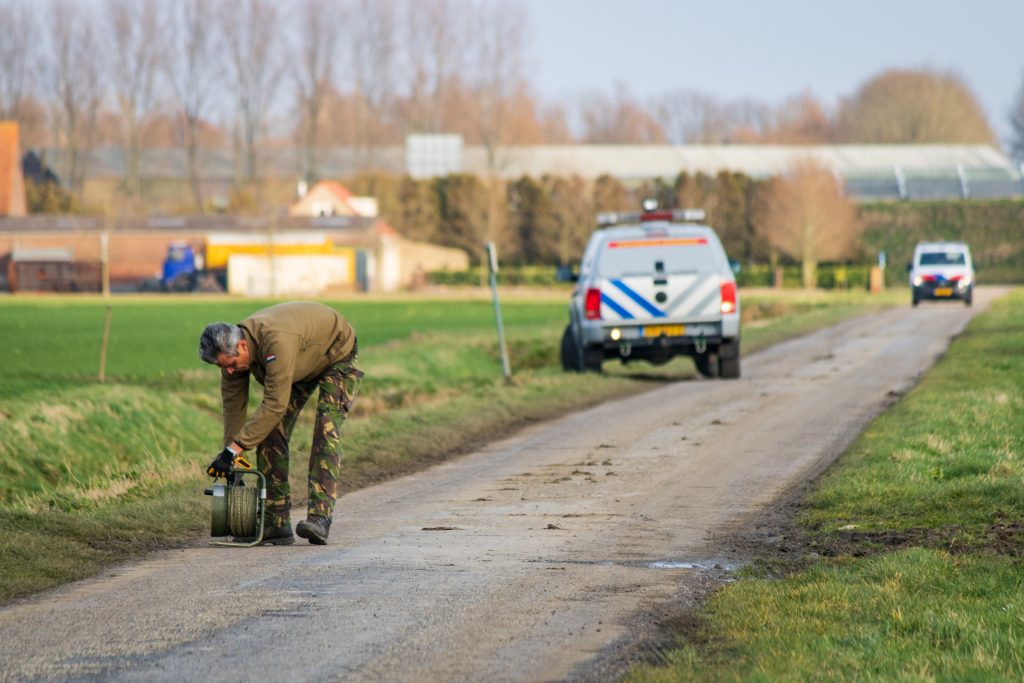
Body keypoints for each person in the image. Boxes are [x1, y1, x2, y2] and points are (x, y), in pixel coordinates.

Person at [198, 301, 363, 545]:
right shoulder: (233, 358)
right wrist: (231, 459)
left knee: (325, 431)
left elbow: (274, 405)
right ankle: (276, 524)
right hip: (298, 363)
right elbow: (234, 409)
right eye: (224, 368)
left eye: (231, 365)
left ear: (243, 345)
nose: (230, 372)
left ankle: (320, 518)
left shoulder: (276, 341)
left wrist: (234, 450)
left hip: (334, 353)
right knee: (268, 432)